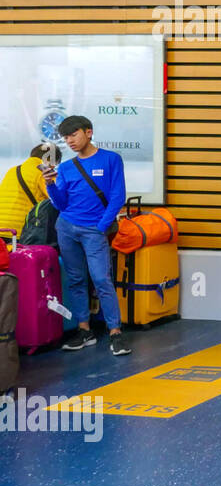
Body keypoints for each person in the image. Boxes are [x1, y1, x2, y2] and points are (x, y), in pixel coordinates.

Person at [43, 116, 130, 355]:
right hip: (67, 227)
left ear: (88, 132)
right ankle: (84, 330)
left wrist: (101, 226)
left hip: (94, 229)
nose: (70, 141)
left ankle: (115, 332)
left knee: (102, 279)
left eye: (74, 135)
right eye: (66, 137)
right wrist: (50, 184)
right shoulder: (68, 167)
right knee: (76, 280)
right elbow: (61, 203)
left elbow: (117, 196)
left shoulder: (111, 159)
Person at [0, 144, 61, 239]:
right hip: (20, 231)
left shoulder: (12, 170)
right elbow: (58, 198)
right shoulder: (43, 172)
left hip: (2, 228)